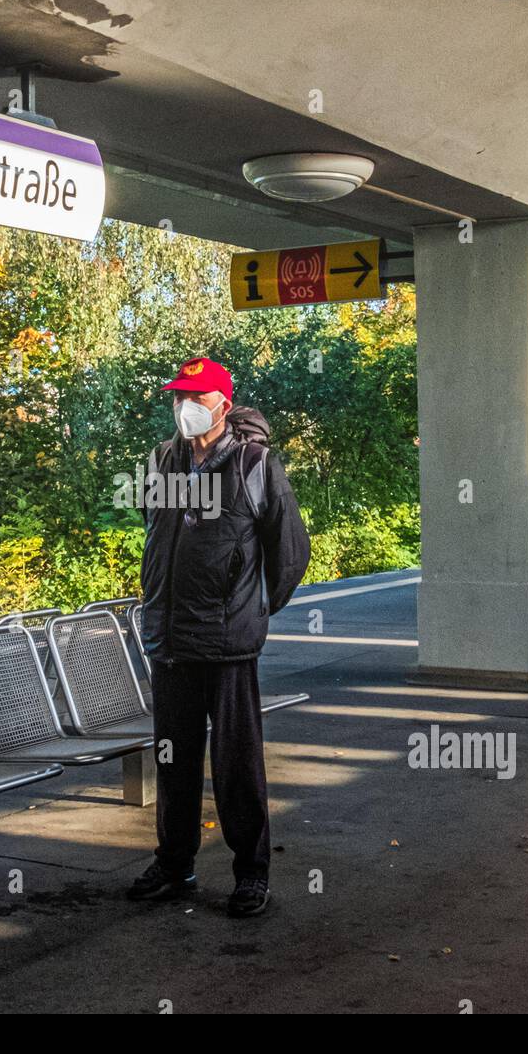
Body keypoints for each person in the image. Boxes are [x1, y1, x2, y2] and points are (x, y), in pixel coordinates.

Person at [128, 356, 310, 917]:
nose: (184, 406)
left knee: (236, 765)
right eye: (178, 396)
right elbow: (159, 539)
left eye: (196, 396)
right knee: (173, 760)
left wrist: (254, 609)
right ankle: (174, 863)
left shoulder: (254, 463)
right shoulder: (162, 460)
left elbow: (290, 550)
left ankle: (251, 875)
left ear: (222, 405)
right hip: (171, 640)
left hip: (228, 643)